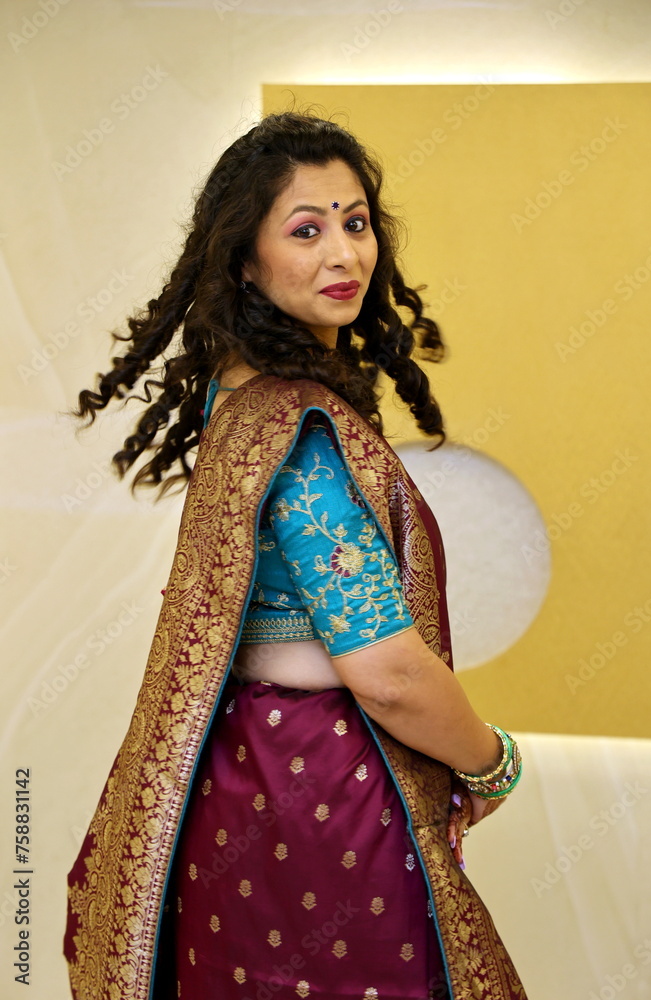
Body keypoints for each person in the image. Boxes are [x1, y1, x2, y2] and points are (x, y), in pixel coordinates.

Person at [63, 109, 527, 1000]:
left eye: (355, 223)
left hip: (231, 770)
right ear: (247, 258)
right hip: (326, 788)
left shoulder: (231, 396)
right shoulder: (299, 429)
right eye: (305, 231)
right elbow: (386, 670)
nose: (343, 255)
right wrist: (490, 759)